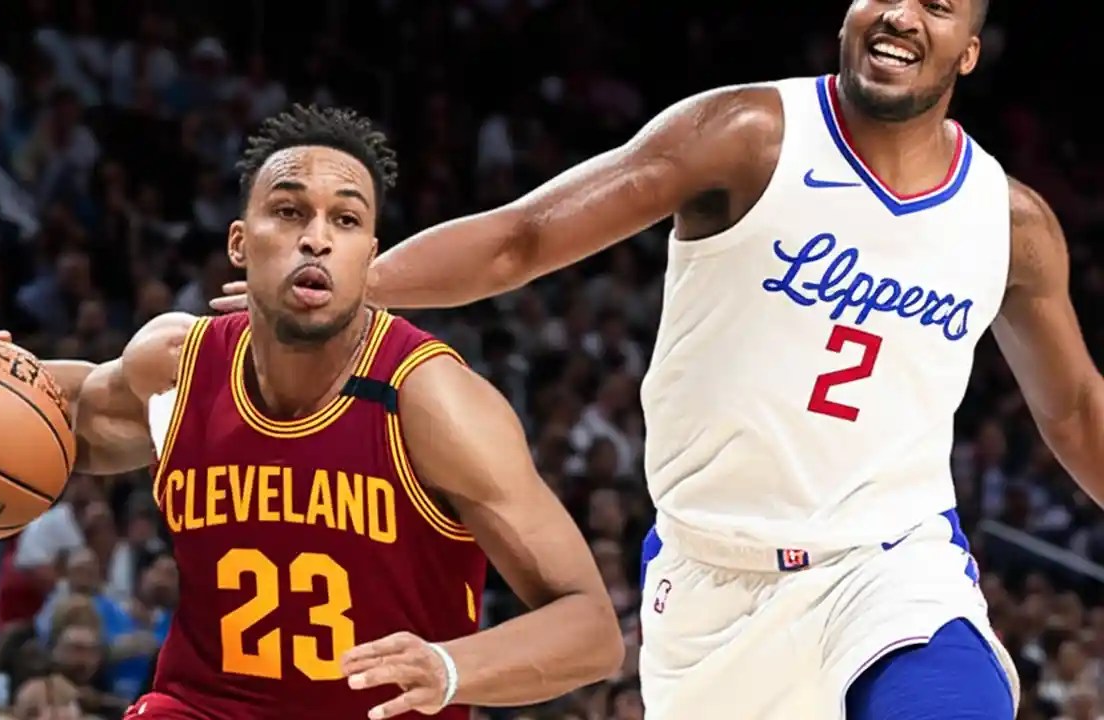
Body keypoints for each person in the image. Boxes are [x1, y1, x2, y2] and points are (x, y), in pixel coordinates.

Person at [210, 1, 1103, 718]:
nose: (902, 15)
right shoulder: (747, 134)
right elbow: (525, 238)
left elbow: (1072, 413)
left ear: (969, 51)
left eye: (936, 7)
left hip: (887, 565)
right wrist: (355, 286)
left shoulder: (1010, 224)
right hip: (707, 582)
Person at [0, 105, 622, 719]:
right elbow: (45, 409)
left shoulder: (429, 401)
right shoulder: (176, 366)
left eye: (346, 220)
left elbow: (591, 630)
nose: (316, 237)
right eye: (288, 211)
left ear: (370, 256)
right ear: (239, 243)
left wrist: (451, 666)